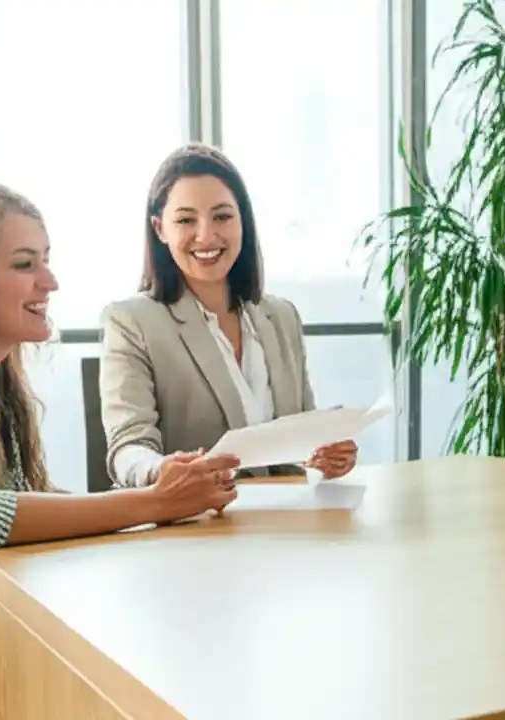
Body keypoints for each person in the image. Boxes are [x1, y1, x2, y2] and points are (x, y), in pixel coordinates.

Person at [0, 175, 240, 718]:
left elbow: (32, 504)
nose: (51, 281)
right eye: (24, 264)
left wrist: (163, 504)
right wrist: (153, 504)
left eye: (45, 260)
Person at [99, 144, 357, 488]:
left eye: (222, 216)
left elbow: (303, 432)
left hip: (287, 523)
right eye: (185, 220)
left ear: (243, 222)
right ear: (160, 229)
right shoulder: (131, 322)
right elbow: (127, 448)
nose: (206, 235)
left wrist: (328, 454)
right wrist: (159, 470)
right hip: (195, 528)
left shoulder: (281, 316)